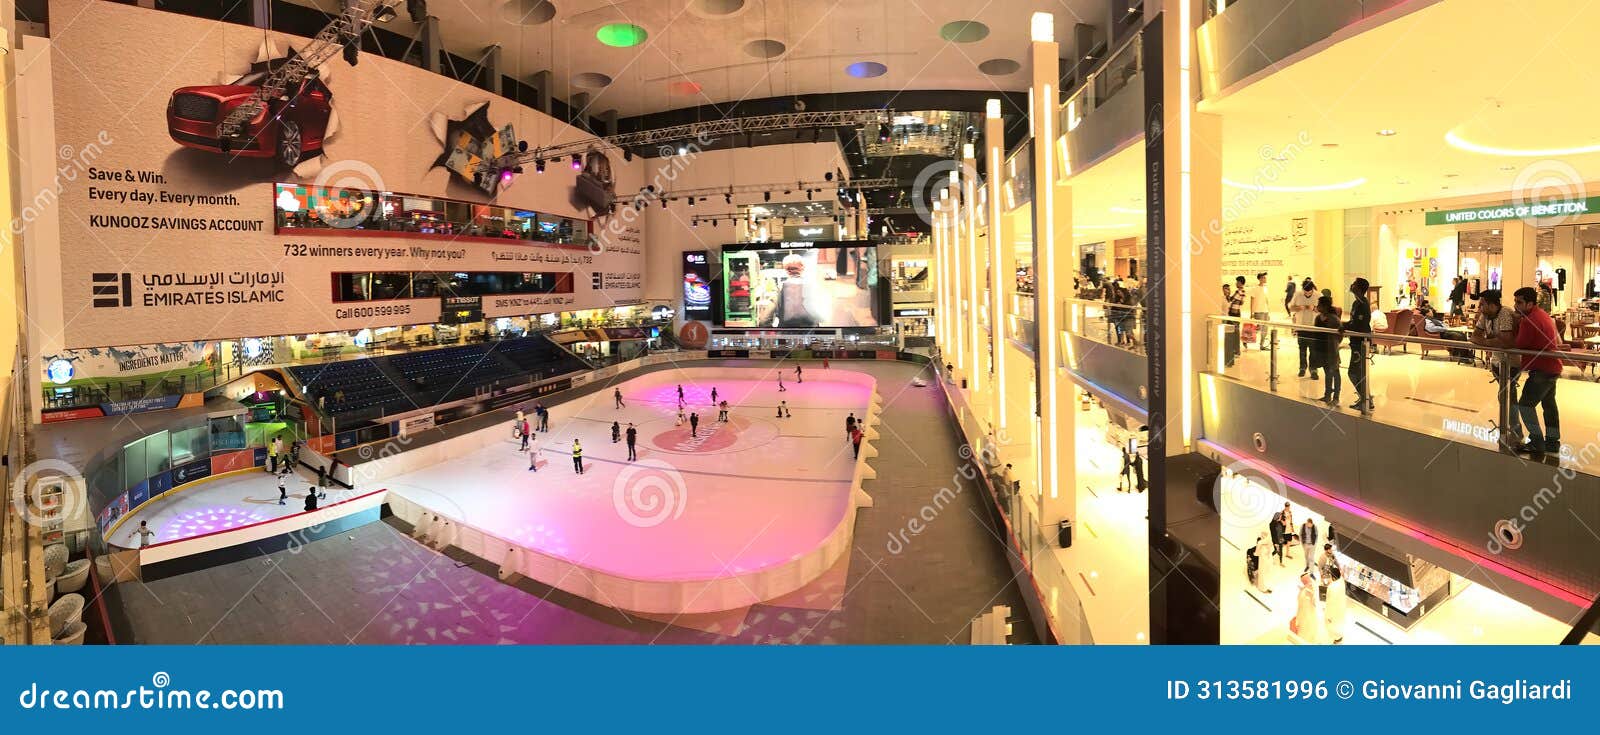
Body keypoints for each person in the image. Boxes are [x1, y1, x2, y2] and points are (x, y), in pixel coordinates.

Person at [1512, 286, 1563, 455]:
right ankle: (1552, 442)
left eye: (1519, 302)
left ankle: (1536, 442)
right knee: (1549, 405)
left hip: (1541, 369)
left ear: (1530, 303)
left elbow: (1519, 344)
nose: (1515, 305)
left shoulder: (1528, 321)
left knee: (1525, 405)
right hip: (1553, 367)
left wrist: (1518, 323)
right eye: (1515, 301)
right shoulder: (1543, 315)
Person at [1471, 289, 1521, 447]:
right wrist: (1492, 341)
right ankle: (1507, 430)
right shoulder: (1485, 316)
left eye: (1483, 304)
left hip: (1511, 363)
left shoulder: (1505, 313)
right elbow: (1474, 336)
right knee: (1503, 396)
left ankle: (1514, 433)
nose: (1480, 308)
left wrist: (1486, 341)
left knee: (1509, 397)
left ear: (1492, 305)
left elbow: (1507, 342)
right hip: (1496, 362)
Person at [1343, 277, 1373, 411]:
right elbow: (1352, 322)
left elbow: (1358, 325)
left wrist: (1345, 326)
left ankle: (1366, 399)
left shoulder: (1363, 304)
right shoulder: (1356, 303)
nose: (1352, 285)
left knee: (1353, 372)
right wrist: (1344, 325)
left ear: (1359, 289)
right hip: (1354, 342)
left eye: (1354, 284)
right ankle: (1365, 398)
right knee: (1358, 372)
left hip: (1361, 343)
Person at [1289, 278, 1320, 380]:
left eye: (1309, 292)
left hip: (1313, 327)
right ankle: (1302, 368)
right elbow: (1291, 307)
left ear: (1312, 289)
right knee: (1302, 349)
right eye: (1305, 292)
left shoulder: (1318, 295)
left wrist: (1314, 308)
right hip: (1301, 326)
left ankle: (1313, 369)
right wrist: (1299, 308)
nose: (1307, 294)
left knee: (1314, 350)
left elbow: (1325, 310)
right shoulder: (1298, 294)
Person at [1324, 566, 1348, 644]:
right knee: (1339, 622)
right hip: (1341, 606)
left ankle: (1336, 639)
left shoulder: (1331, 587)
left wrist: (1329, 616)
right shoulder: (1341, 582)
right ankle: (1339, 637)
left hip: (1333, 611)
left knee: (1333, 626)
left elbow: (1330, 602)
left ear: (1333, 577)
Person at [1224, 280, 1245, 366]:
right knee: (1235, 332)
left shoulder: (1239, 291)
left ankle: (1235, 351)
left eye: (1237, 282)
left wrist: (1227, 294)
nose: (1236, 284)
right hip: (1236, 313)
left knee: (1233, 333)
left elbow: (1230, 300)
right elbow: (1241, 302)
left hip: (1234, 314)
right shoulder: (1242, 292)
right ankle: (1236, 351)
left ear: (1240, 283)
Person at [1249, 272, 1272, 350]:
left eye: (1265, 277)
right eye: (1263, 277)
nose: (1265, 279)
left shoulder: (1266, 288)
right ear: (1260, 279)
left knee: (1265, 329)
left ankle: (1261, 345)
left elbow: (1266, 300)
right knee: (1259, 328)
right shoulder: (1254, 288)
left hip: (1265, 311)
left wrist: (1268, 312)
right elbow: (1252, 300)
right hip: (1258, 311)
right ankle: (1246, 339)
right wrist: (1251, 312)